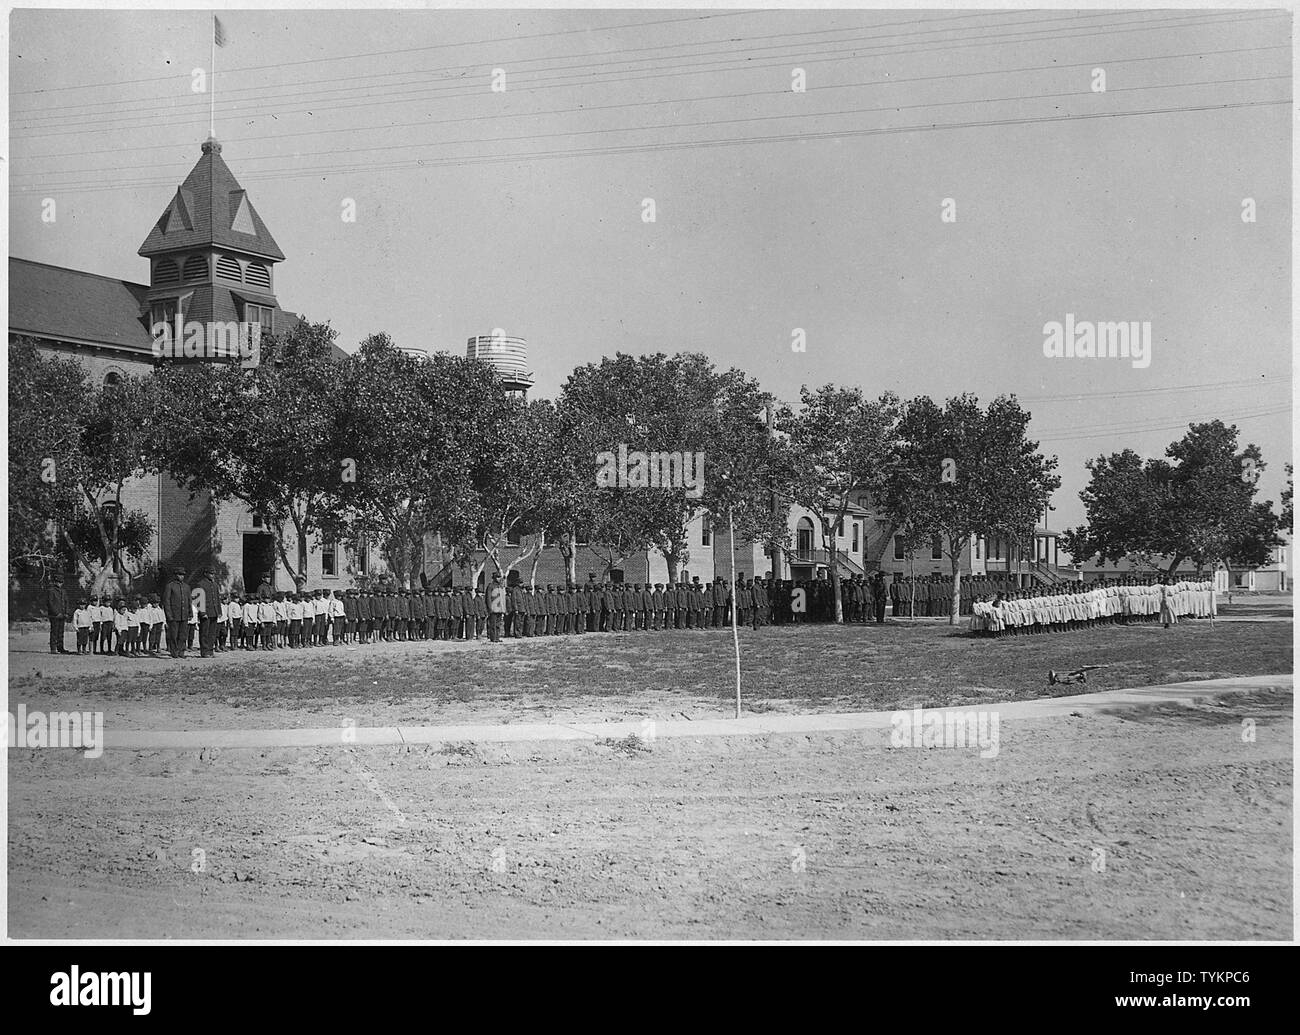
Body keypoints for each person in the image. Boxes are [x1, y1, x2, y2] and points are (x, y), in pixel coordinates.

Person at [162, 567, 190, 658]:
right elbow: (167, 601)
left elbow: (189, 600)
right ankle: (174, 652)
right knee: (173, 634)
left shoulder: (186, 587)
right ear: (175, 575)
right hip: (174, 615)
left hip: (184, 614)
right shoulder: (170, 586)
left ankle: (181, 651)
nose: (181, 577)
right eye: (179, 575)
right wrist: (169, 615)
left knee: (183, 634)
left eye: (183, 575)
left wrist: (190, 612)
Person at [44, 574, 69, 654]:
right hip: (55, 615)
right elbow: (50, 603)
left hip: (62, 614)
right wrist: (56, 613)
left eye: (61, 582)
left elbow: (66, 602)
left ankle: (60, 647)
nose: (59, 584)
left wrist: (66, 612)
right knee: (54, 631)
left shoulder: (63, 591)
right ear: (55, 582)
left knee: (61, 632)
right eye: (58, 582)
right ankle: (53, 648)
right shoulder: (51, 590)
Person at [487, 574, 506, 642]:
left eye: (499, 577)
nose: (499, 579)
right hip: (493, 608)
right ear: (494, 578)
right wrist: (489, 608)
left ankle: (497, 637)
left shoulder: (500, 586)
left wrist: (503, 608)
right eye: (497, 577)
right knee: (493, 624)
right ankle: (493, 638)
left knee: (498, 624)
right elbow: (488, 598)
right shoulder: (490, 586)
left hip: (499, 608)